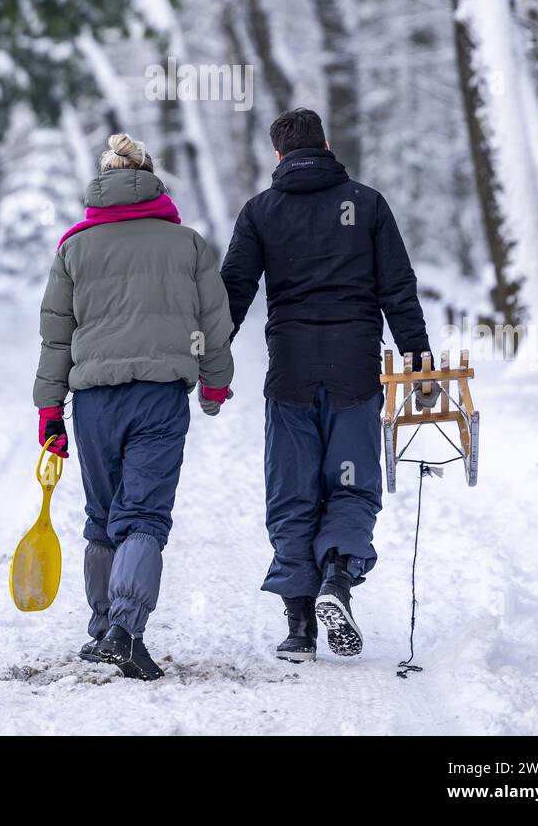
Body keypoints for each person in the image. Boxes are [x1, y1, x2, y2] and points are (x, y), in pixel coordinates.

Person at [221, 108, 431, 662]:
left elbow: (233, 292)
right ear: (327, 145)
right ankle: (337, 575)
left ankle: (298, 626)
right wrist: (418, 358)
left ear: (279, 156)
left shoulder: (261, 211)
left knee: (293, 490)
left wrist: (206, 355)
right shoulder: (366, 204)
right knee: (351, 484)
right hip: (355, 374)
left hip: (289, 373)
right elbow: (398, 290)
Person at [34, 133, 234, 681]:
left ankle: (102, 630)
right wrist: (215, 386)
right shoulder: (187, 245)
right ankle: (125, 630)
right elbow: (214, 328)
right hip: (160, 398)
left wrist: (50, 412)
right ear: (152, 179)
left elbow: (56, 339)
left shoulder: (73, 248)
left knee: (102, 516)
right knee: (143, 515)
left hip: (94, 401)